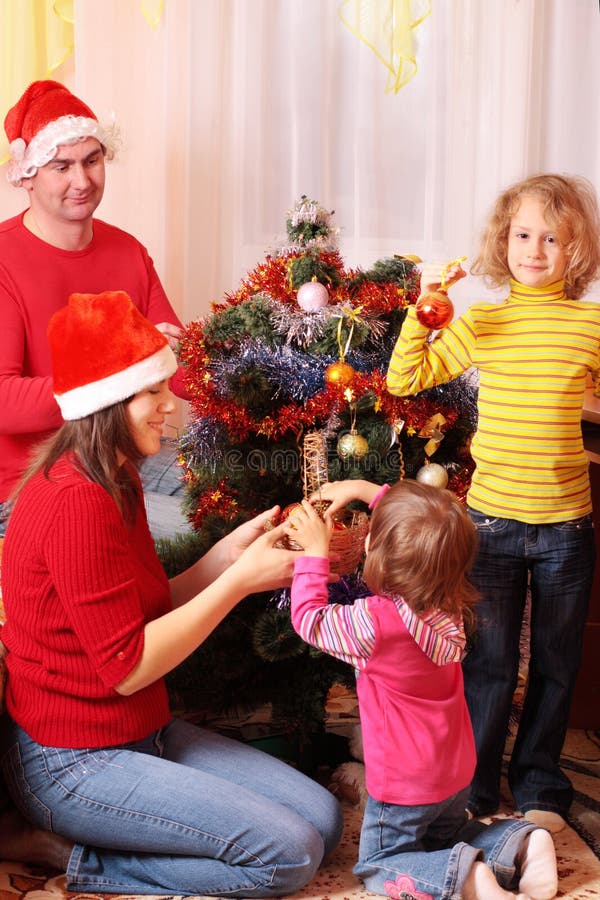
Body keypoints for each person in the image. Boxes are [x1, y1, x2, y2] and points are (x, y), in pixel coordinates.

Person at [0, 290, 343, 895]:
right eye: (152, 392)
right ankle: (68, 853)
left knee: (324, 821)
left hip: (141, 731)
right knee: (288, 856)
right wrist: (238, 584)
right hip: (74, 760)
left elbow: (143, 609)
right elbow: (128, 666)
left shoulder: (113, 475)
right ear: (109, 403)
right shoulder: (75, 501)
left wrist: (223, 558)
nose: (169, 406)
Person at [386, 173, 600, 834]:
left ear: (576, 250)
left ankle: (538, 780)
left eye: (552, 239)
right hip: (493, 522)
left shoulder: (590, 323)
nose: (535, 250)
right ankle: (476, 784)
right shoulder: (484, 319)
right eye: (523, 235)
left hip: (567, 525)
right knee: (488, 661)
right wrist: (423, 308)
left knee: (558, 665)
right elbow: (405, 378)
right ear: (504, 241)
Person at [286, 478, 557, 900]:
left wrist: (314, 553)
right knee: (442, 840)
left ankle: (468, 879)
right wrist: (362, 488)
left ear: (375, 545)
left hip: (404, 784)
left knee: (380, 866)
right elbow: (425, 528)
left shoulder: (374, 625)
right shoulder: (448, 606)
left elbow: (309, 619)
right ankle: (521, 843)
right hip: (454, 771)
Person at [0, 78, 189, 541]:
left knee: (239, 500)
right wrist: (122, 368)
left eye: (92, 160)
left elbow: (179, 365)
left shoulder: (127, 252)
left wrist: (248, 368)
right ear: (27, 174)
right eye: (60, 166)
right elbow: (4, 402)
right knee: (188, 532)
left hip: (127, 457)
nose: (81, 181)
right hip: (30, 482)